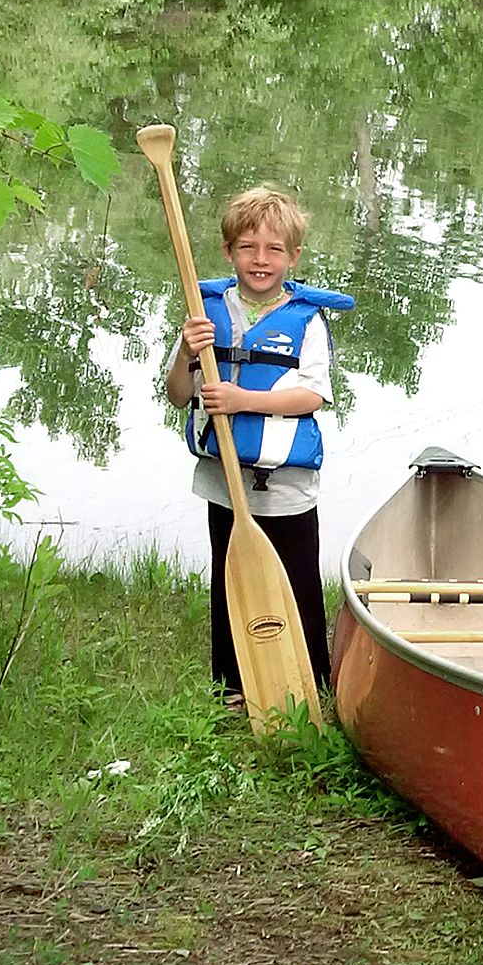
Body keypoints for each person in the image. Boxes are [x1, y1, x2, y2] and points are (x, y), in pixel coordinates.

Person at [163, 186, 353, 711]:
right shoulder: (204, 313)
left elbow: (312, 394)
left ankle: (312, 684)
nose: (260, 260)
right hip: (224, 478)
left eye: (273, 250)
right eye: (248, 248)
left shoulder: (307, 321)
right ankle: (231, 684)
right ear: (229, 252)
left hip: (284, 484)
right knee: (231, 581)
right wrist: (188, 350)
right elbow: (178, 394)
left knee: (296, 582)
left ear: (292, 257)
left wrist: (242, 398)